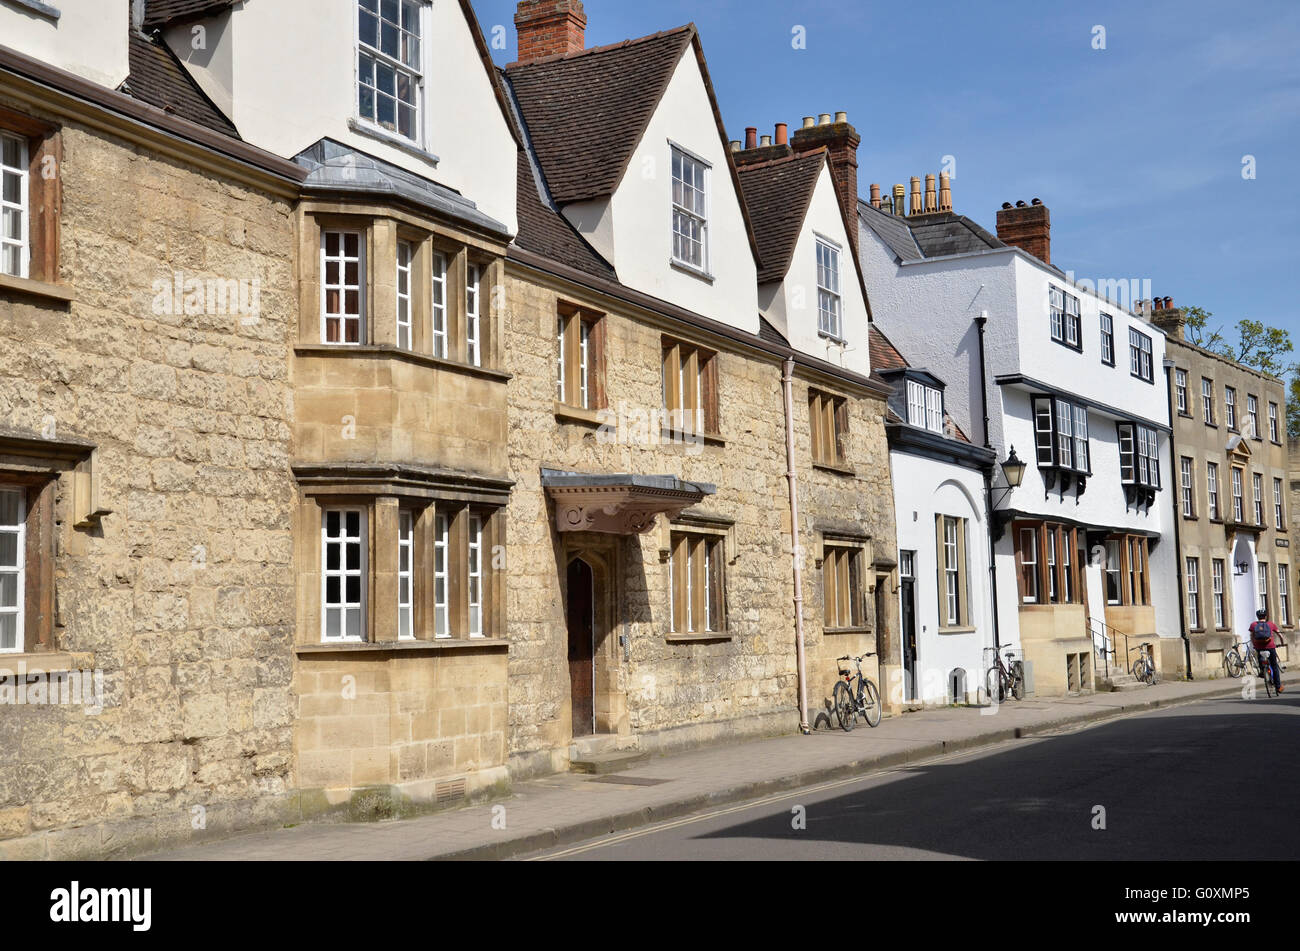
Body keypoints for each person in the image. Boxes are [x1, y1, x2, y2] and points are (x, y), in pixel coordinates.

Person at [1249, 609, 1284, 694]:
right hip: (1270, 647)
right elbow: (1280, 635)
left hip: (1259, 647)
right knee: (1274, 666)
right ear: (1265, 616)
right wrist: (1282, 643)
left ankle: (1262, 671)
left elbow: (1252, 636)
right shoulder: (1270, 624)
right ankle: (1278, 687)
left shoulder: (1253, 625)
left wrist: (1254, 645)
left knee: (1260, 660)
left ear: (1257, 617)